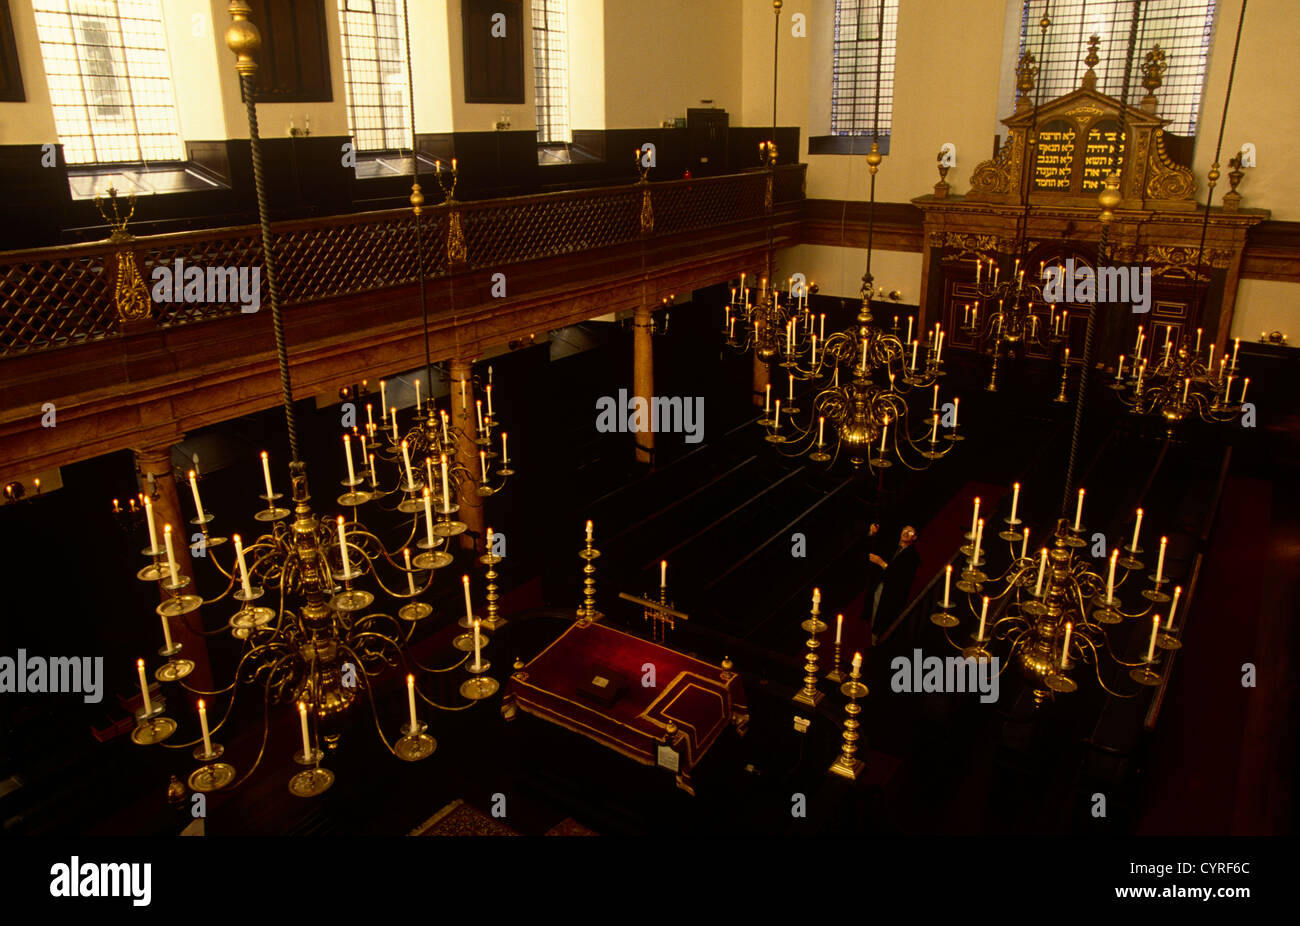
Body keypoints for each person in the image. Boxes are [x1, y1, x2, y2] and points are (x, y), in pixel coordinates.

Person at [865, 524, 921, 643]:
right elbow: (876, 546)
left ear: (915, 537)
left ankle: (878, 646)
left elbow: (900, 577)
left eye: (910, 532)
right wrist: (872, 533)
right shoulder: (893, 546)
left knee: (885, 623)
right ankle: (874, 642)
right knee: (875, 616)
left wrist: (882, 563)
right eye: (905, 529)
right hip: (881, 587)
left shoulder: (913, 557)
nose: (906, 533)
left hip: (893, 595)